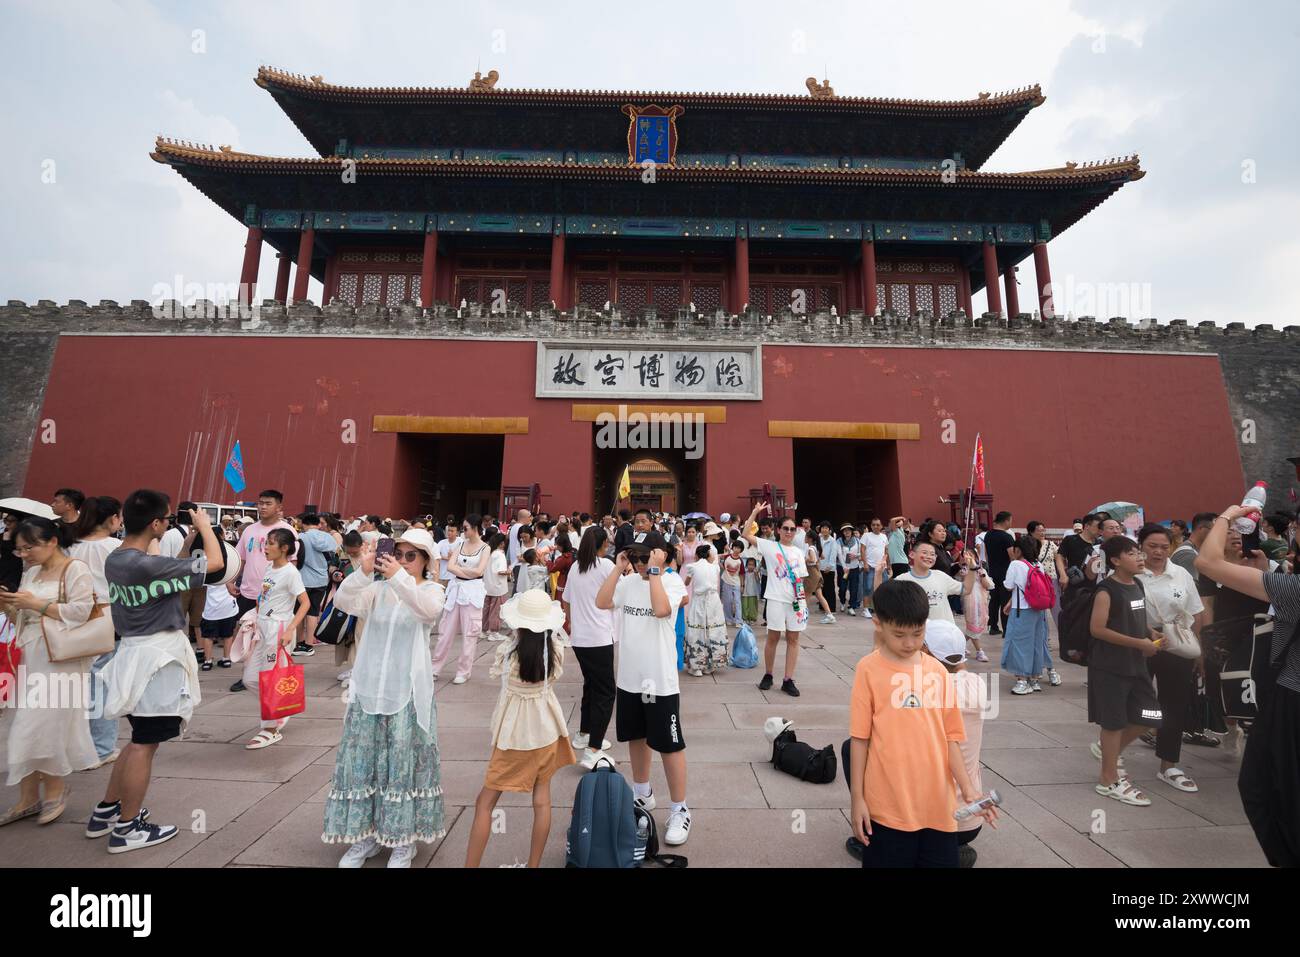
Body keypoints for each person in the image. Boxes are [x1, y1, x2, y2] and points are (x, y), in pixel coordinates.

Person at [87, 491, 223, 851]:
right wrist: (206, 527)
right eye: (165, 518)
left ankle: (107, 811)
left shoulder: (120, 559)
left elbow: (167, 572)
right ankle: (128, 828)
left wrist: (189, 538)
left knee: (136, 741)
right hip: (157, 659)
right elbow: (213, 564)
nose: (168, 522)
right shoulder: (145, 565)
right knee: (145, 744)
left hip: (134, 654)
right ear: (156, 524)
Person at [846, 579, 997, 867]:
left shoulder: (937, 671)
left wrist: (968, 791)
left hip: (938, 806)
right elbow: (859, 738)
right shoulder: (868, 669)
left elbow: (951, 737)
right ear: (878, 623)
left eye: (917, 634)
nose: (910, 643)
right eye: (899, 634)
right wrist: (858, 799)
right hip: (887, 806)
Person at [324, 529, 448, 867]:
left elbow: (427, 611)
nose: (403, 562)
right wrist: (364, 569)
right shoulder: (376, 590)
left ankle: (402, 841)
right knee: (363, 764)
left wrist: (398, 579)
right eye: (399, 553)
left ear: (425, 560)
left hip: (406, 692)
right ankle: (365, 837)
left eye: (411, 556)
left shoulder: (431, 590)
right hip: (368, 689)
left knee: (401, 768)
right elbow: (343, 601)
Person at [1196, 503, 1300, 866]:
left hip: (1292, 700)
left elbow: (1207, 562)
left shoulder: (1295, 589)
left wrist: (1225, 516)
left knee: (1267, 790)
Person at [0, 518, 100, 827]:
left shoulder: (76, 570)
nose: (24, 554)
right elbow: (23, 618)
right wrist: (11, 607)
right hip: (30, 655)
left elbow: (82, 613)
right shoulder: (30, 572)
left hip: (63, 658)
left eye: (29, 547)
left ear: (52, 541)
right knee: (22, 722)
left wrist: (37, 603)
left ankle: (55, 789)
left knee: (45, 725)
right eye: (18, 550)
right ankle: (28, 797)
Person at [465, 591, 574, 867]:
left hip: (514, 737)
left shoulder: (508, 653)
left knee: (485, 803)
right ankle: (533, 864)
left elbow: (499, 674)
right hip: (547, 731)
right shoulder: (555, 651)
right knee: (542, 800)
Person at [595, 543, 692, 846]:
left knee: (669, 744)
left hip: (659, 680)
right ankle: (642, 794)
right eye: (634, 557)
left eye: (644, 556)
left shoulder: (671, 581)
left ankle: (679, 809)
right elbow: (602, 601)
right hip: (630, 678)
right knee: (636, 737)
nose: (638, 562)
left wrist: (654, 572)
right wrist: (617, 565)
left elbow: (662, 610)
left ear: (659, 554)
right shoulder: (627, 581)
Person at [1088, 536, 1163, 807]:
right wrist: (1139, 643)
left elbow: (1136, 618)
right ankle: (1108, 780)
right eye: (1133, 554)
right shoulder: (1106, 590)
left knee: (1150, 715)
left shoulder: (1138, 584)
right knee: (1114, 723)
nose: (1141, 558)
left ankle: (1107, 752)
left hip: (1136, 664)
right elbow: (1097, 629)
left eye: (1139, 553)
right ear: (1116, 561)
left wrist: (1149, 633)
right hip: (1110, 666)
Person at [1135, 522, 1206, 793]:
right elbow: (1121, 609)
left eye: (1164, 547)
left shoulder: (1181, 574)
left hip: (1177, 647)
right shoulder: (1132, 573)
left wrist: (1198, 649)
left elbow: (1196, 612)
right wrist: (1145, 632)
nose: (1159, 552)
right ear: (1141, 546)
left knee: (1174, 706)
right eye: (1152, 546)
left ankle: (1169, 765)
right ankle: (1112, 757)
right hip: (1140, 645)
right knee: (1132, 700)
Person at [240, 528, 309, 749]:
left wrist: (289, 630)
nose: (265, 547)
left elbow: (305, 603)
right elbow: (265, 595)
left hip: (278, 629)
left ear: (284, 548)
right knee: (250, 678)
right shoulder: (270, 567)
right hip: (262, 627)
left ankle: (270, 728)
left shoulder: (291, 572)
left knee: (271, 678)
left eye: (270, 543)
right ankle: (280, 708)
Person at [68, 496, 124, 766]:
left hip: (74, 620)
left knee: (80, 685)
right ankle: (101, 748)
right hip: (107, 618)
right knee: (101, 685)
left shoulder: (70, 548)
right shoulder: (115, 546)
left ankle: (77, 746)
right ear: (112, 518)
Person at [742, 503, 809, 697]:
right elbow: (746, 534)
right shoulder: (770, 546)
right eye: (785, 528)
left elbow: (801, 578)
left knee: (793, 639)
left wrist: (802, 599)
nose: (789, 532)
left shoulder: (798, 552)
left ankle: (788, 679)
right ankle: (769, 674)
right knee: (773, 637)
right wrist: (755, 511)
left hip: (796, 601)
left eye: (792, 529)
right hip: (776, 599)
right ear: (778, 530)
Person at [229, 489, 296, 675]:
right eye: (261, 503)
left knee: (270, 639)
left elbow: (293, 564)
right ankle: (247, 674)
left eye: (268, 503)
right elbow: (240, 558)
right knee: (247, 636)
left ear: (279, 507)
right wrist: (231, 580)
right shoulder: (249, 530)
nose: (263, 507)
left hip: (274, 598)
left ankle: (270, 675)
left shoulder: (287, 532)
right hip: (248, 593)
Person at [565, 527, 616, 769]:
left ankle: (585, 733)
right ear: (604, 543)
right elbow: (622, 589)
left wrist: (572, 625)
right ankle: (593, 748)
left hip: (580, 638)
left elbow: (566, 601)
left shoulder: (576, 567)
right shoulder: (605, 566)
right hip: (599, 637)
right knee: (606, 692)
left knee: (591, 685)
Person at [431, 515, 489, 685]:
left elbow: (479, 571)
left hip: (472, 592)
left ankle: (464, 670)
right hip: (456, 589)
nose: (464, 531)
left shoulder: (485, 547)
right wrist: (465, 572)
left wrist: (460, 570)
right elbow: (450, 566)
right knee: (445, 631)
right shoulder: (460, 544)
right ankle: (435, 668)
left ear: (475, 528)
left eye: (466, 528)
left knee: (470, 633)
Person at [1001, 535, 1050, 695]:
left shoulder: (1015, 564)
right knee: (1036, 643)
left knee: (1019, 644)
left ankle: (1022, 680)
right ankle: (1035, 679)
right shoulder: (1038, 564)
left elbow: (1008, 586)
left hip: (1021, 610)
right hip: (1038, 610)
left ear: (1018, 550)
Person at [1057, 512, 1104, 665]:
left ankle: (1087, 652)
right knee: (1072, 617)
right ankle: (1071, 648)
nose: (1100, 530)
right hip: (1074, 587)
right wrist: (1063, 575)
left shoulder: (1099, 545)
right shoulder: (1071, 540)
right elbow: (1059, 556)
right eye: (1098, 527)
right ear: (1087, 526)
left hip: (1094, 588)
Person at [893, 540, 973, 624]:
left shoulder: (941, 576)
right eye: (924, 553)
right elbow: (884, 603)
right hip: (917, 634)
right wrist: (879, 575)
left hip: (944, 633)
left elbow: (966, 589)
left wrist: (972, 568)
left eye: (932, 554)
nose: (929, 557)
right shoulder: (902, 580)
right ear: (912, 554)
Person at [293, 513, 339, 657]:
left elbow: (297, 557)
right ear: (318, 524)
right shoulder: (328, 537)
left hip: (303, 579)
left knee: (299, 611)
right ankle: (309, 644)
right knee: (313, 611)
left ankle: (299, 643)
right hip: (321, 579)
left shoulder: (302, 537)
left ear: (304, 524)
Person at [682, 544, 728, 676]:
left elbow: (686, 583)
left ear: (697, 555)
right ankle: (711, 664)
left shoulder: (692, 566)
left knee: (697, 630)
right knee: (713, 629)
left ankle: (697, 666)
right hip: (713, 601)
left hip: (699, 600)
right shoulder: (715, 568)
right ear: (708, 555)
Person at [983, 512, 1015, 635]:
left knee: (994, 600)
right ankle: (1006, 629)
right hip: (1005, 573)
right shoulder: (1007, 537)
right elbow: (1012, 556)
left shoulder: (988, 535)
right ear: (1006, 521)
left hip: (993, 571)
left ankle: (993, 627)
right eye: (1010, 520)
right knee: (1005, 601)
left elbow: (986, 554)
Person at [959, 550, 993, 663]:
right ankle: (979, 651)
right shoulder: (964, 569)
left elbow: (988, 585)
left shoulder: (981, 569)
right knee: (973, 624)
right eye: (966, 554)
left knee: (978, 624)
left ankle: (960, 645)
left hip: (981, 600)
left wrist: (982, 574)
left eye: (971, 554)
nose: (968, 556)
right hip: (970, 599)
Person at [482, 532, 511, 639]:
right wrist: (509, 571)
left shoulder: (490, 553)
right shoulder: (500, 554)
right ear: (502, 543)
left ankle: (484, 630)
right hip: (498, 586)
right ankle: (494, 632)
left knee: (486, 608)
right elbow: (501, 571)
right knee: (496, 609)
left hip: (487, 585)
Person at [816, 521, 841, 614]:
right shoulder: (819, 539)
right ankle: (823, 607)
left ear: (830, 530)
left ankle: (832, 609)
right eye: (823, 528)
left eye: (826, 528)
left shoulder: (833, 541)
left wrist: (830, 566)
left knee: (829, 588)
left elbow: (833, 554)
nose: (824, 530)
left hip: (828, 569)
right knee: (821, 588)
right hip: (819, 568)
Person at [838, 524, 862, 616]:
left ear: (851, 531)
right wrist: (844, 567)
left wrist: (856, 556)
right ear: (842, 532)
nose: (847, 532)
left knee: (854, 589)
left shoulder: (857, 541)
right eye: (845, 531)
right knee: (842, 588)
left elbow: (862, 553)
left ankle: (852, 607)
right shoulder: (839, 541)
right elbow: (839, 555)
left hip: (855, 568)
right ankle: (843, 602)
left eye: (848, 530)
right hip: (844, 569)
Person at [720, 541, 743, 627]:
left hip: (736, 582)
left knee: (737, 602)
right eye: (735, 547)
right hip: (726, 581)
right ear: (732, 547)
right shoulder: (727, 557)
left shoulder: (740, 561)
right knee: (727, 601)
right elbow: (722, 564)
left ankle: (738, 621)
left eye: (739, 548)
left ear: (741, 550)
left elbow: (741, 574)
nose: (737, 549)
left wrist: (742, 585)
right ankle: (728, 619)